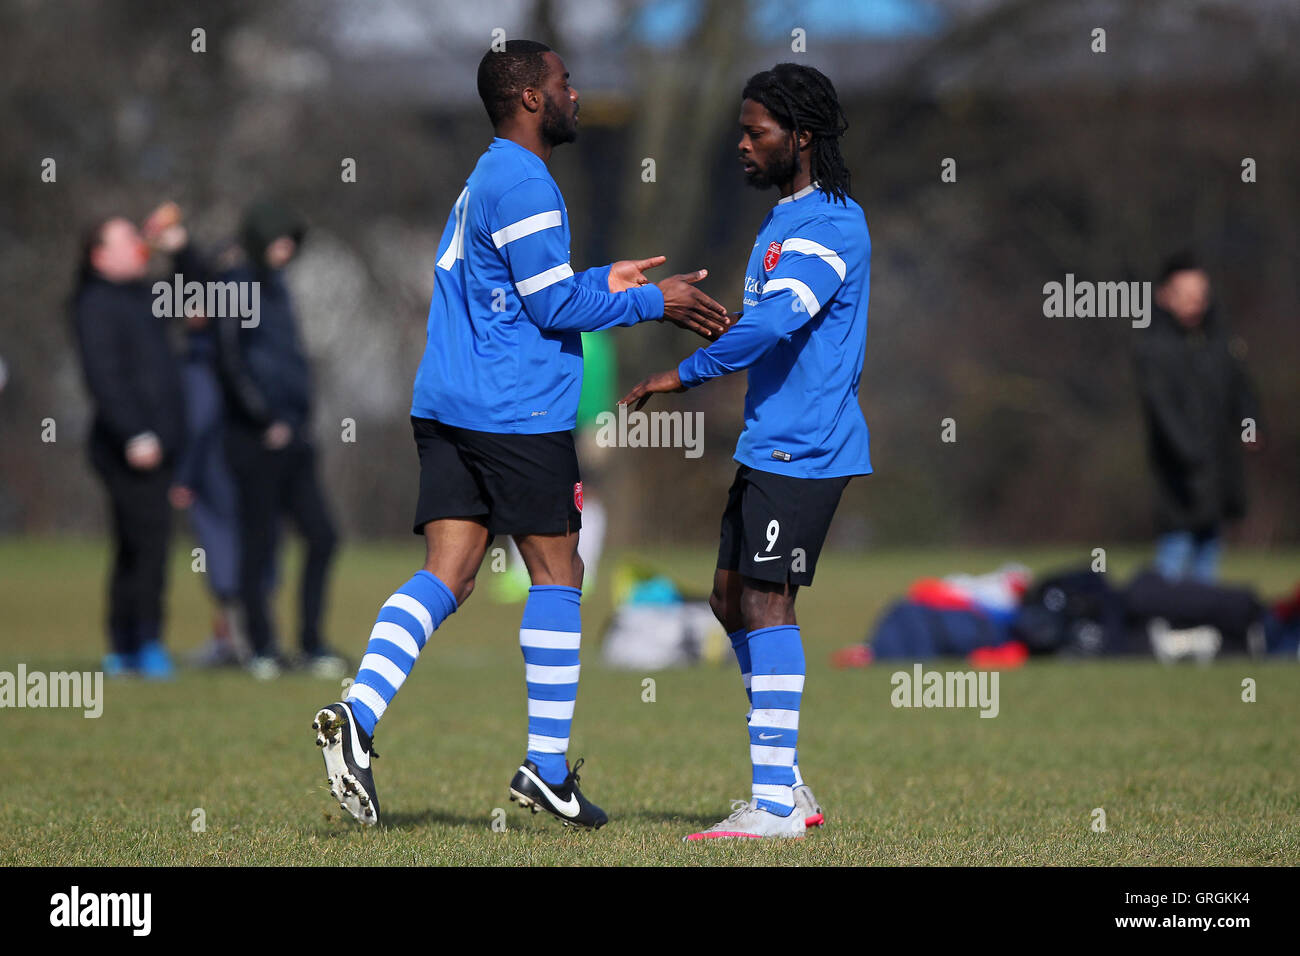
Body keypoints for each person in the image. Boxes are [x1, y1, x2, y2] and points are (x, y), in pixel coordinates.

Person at [311, 39, 729, 829]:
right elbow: (551, 312)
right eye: (566, 83)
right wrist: (655, 303)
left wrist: (599, 278)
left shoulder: (485, 177)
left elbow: (522, 288)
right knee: (560, 570)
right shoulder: (529, 183)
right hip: (514, 410)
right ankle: (544, 768)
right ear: (532, 99)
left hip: (446, 405)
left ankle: (358, 719)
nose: (577, 93)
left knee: (450, 572)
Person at [620, 63, 870, 840]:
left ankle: (771, 806)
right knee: (729, 599)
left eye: (755, 132)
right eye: (741, 130)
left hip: (807, 448)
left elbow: (778, 325)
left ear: (800, 138)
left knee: (766, 601)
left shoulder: (832, 223)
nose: (741, 144)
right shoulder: (781, 222)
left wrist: (684, 372)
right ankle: (785, 784)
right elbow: (766, 328)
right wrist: (724, 329)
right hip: (772, 444)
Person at [215, 200, 342, 679]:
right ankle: (262, 646)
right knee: (260, 542)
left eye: (292, 242)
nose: (286, 250)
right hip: (254, 439)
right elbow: (229, 361)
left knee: (323, 536)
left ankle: (311, 643)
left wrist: (297, 416)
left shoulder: (280, 287)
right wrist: (262, 417)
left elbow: (287, 360)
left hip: (295, 436)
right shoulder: (235, 285)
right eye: (278, 240)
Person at [70, 214, 189, 677]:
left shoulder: (145, 295)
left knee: (134, 545)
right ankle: (144, 643)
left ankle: (124, 645)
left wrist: (178, 249)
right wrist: (134, 432)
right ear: (100, 255)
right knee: (147, 544)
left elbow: (194, 296)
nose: (138, 244)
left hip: (162, 444)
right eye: (126, 239)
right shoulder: (94, 303)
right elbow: (103, 377)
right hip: (128, 448)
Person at [1136, 253, 1258, 583]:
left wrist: (1250, 430)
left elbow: (1243, 395)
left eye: (1200, 294)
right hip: (1179, 478)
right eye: (1186, 293)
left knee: (1209, 559)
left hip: (1219, 475)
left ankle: (1205, 625)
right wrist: (1192, 457)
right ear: (1164, 296)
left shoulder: (1221, 343)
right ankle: (1161, 625)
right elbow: (1162, 411)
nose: (1195, 302)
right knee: (1175, 559)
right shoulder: (1154, 349)